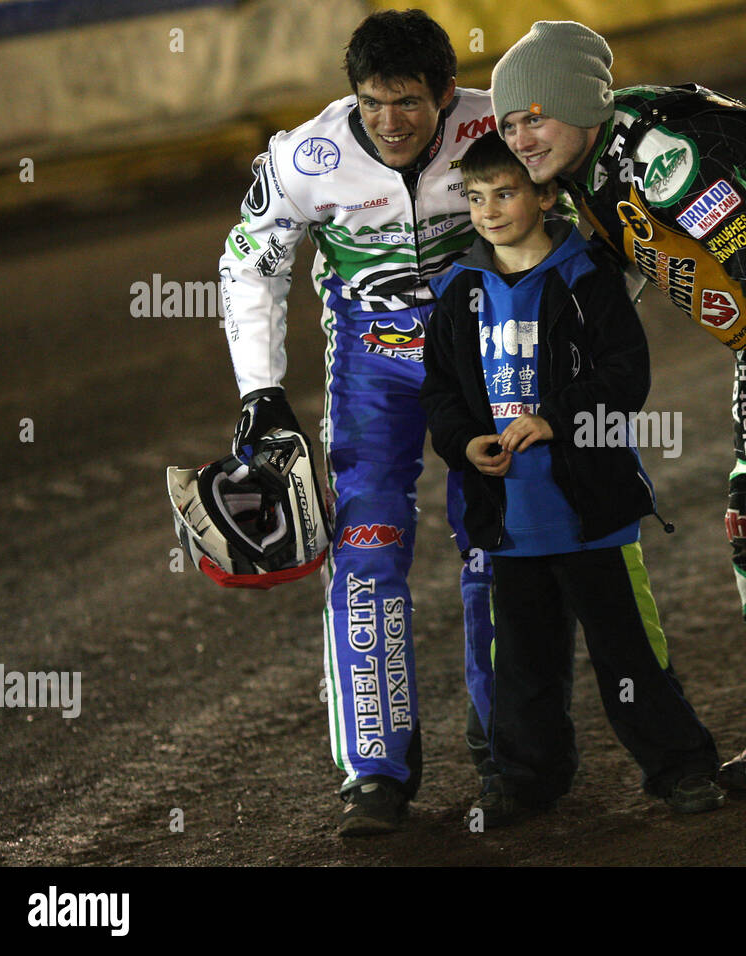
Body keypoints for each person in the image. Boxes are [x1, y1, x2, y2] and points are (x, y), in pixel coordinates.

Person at [489, 21, 746, 798]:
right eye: (509, 122)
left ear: (584, 103)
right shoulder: (582, 165)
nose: (521, 138)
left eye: (535, 116)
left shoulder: (666, 159)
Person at [217, 9, 502, 836]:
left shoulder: (501, 123)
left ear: (448, 94)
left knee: (497, 541)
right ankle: (374, 772)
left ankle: (508, 748)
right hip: (368, 372)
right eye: (372, 102)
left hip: (485, 360)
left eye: (408, 102)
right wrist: (260, 392)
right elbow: (247, 266)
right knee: (366, 550)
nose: (389, 121)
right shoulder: (303, 157)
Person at [420, 131, 725, 825]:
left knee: (628, 656)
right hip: (506, 522)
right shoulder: (457, 290)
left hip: (592, 515)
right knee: (524, 666)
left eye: (505, 193)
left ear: (546, 194)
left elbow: (627, 375)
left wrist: (556, 418)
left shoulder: (586, 276)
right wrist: (465, 442)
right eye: (475, 197)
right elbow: (439, 392)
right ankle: (526, 781)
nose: (490, 210)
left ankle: (680, 768)